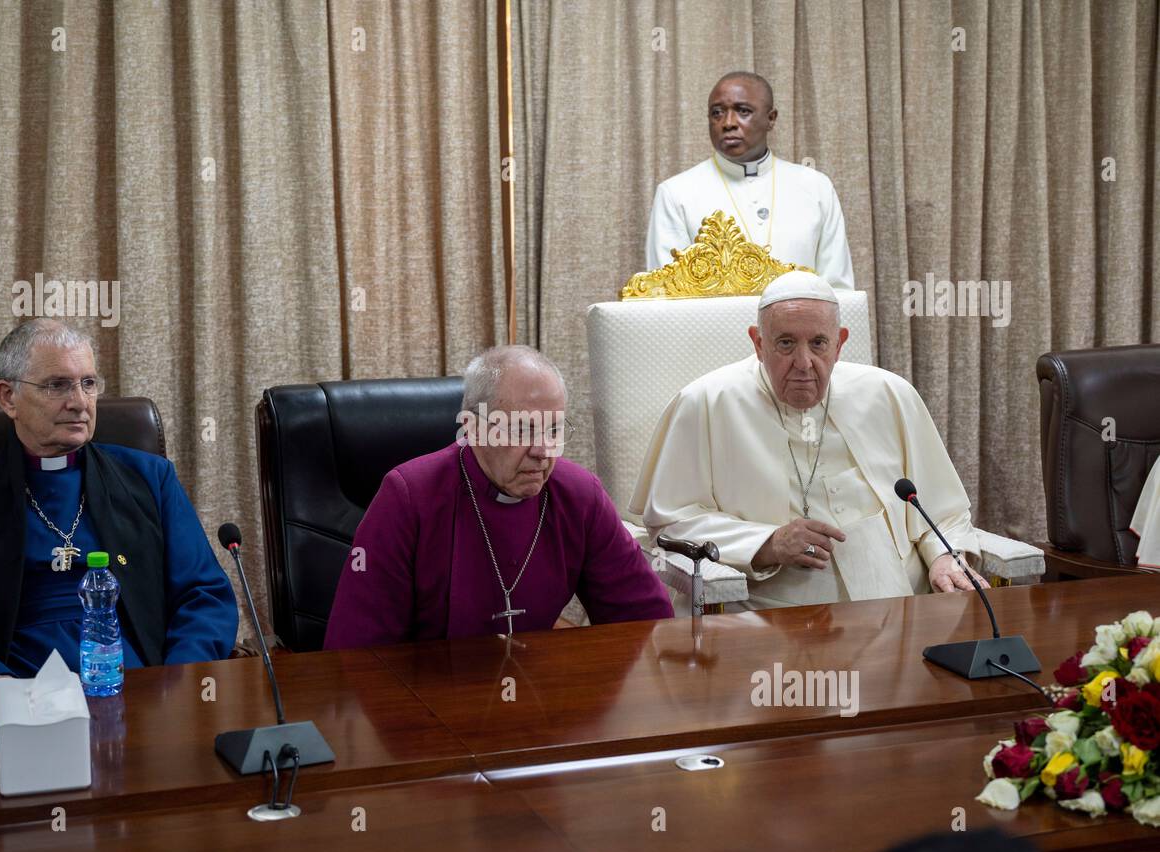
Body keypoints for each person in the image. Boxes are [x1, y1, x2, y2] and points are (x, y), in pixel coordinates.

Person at [0, 318, 237, 682]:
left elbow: (205, 594)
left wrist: (177, 678)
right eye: (57, 385)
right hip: (15, 693)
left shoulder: (150, 479)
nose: (80, 402)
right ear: (8, 397)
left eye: (88, 383)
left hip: (137, 686)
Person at [631, 271, 986, 609]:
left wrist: (946, 556)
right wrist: (768, 543)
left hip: (900, 602)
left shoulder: (889, 393)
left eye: (818, 344)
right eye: (785, 343)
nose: (804, 363)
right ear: (758, 342)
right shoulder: (705, 402)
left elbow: (944, 511)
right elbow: (670, 524)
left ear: (840, 343)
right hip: (770, 616)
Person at [324, 345, 673, 648]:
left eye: (553, 429)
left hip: (540, 701)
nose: (543, 450)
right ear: (473, 428)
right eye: (523, 429)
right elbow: (357, 653)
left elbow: (647, 624)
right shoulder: (407, 498)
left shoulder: (580, 495)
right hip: (427, 700)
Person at [645, 71, 854, 288]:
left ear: (771, 118)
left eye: (743, 111)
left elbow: (838, 289)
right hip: (714, 323)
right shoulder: (676, 193)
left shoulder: (816, 187)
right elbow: (666, 294)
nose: (728, 123)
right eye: (717, 113)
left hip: (803, 322)